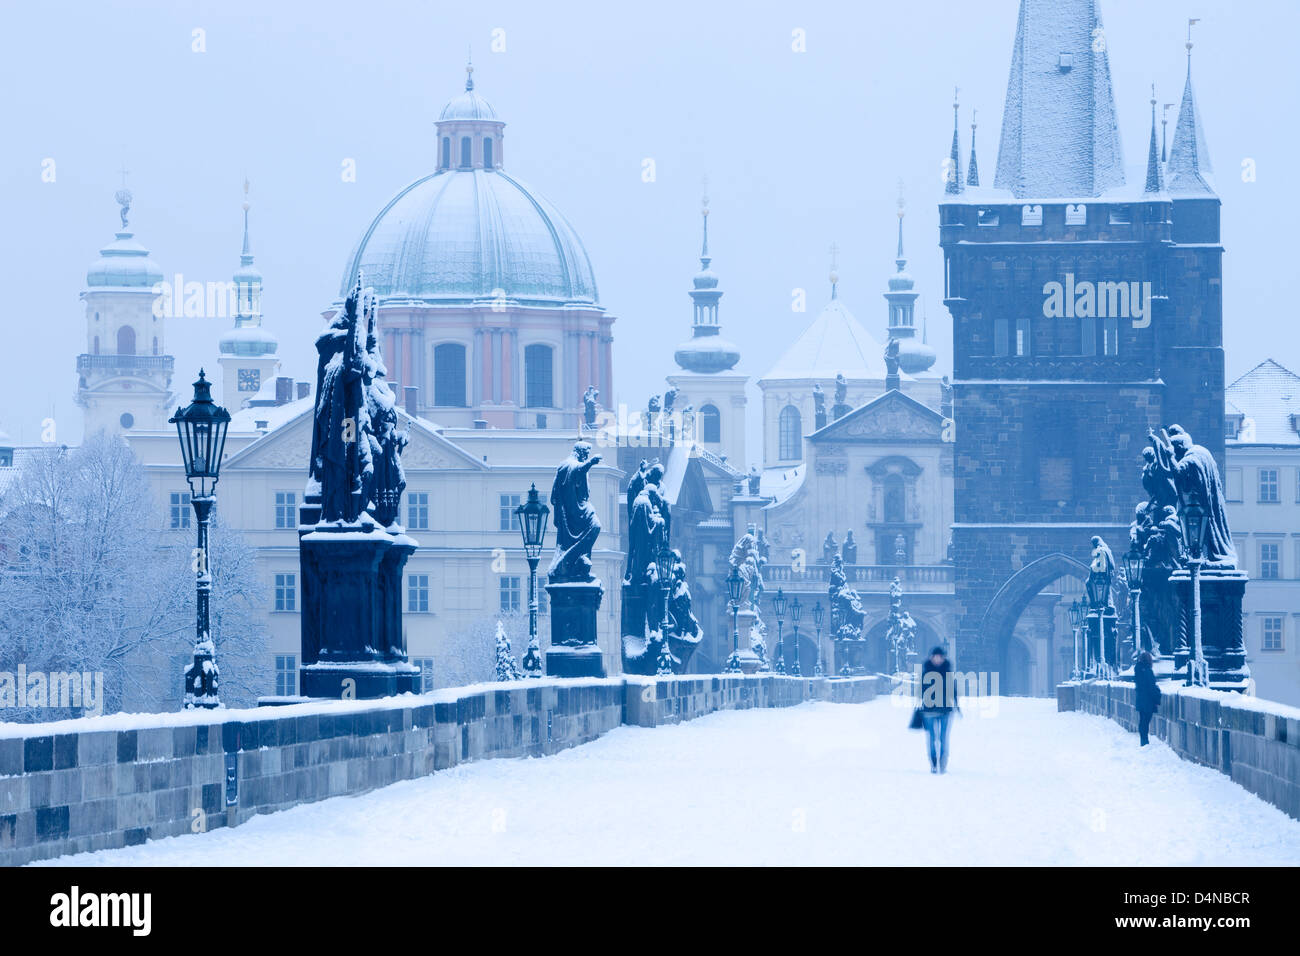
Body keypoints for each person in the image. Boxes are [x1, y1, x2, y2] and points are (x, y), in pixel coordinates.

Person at [919, 646, 959, 773]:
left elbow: (953, 689)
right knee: (932, 738)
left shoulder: (948, 672)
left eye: (940, 657)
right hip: (929, 710)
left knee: (943, 738)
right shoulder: (926, 672)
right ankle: (933, 763)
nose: (938, 659)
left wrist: (957, 704)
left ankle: (942, 763)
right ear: (932, 657)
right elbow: (922, 690)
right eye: (935, 656)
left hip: (945, 710)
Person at [1134, 651, 1162, 746]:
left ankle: (1143, 741)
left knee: (1142, 721)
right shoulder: (1148, 671)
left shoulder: (1138, 670)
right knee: (1146, 721)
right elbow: (1151, 687)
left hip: (1141, 700)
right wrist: (1157, 697)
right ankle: (1145, 742)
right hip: (1148, 701)